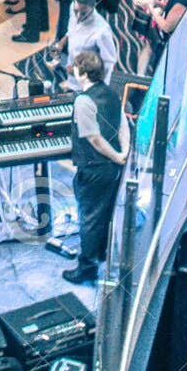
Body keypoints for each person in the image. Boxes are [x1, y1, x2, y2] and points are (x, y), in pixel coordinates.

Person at [62, 50, 129, 286]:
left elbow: (94, 139)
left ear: (83, 73)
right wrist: (123, 152)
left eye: (76, 67)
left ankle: (87, 268)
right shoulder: (111, 92)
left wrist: (116, 156)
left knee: (89, 218)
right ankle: (101, 254)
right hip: (112, 169)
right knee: (105, 214)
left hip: (94, 168)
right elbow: (122, 124)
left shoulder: (83, 101)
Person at [60, 0, 117, 82]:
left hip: (88, 81)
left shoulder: (102, 30)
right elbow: (72, 29)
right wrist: (62, 42)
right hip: (72, 72)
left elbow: (109, 62)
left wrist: (99, 86)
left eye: (83, 13)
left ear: (93, 7)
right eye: (76, 11)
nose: (78, 17)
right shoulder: (73, 7)